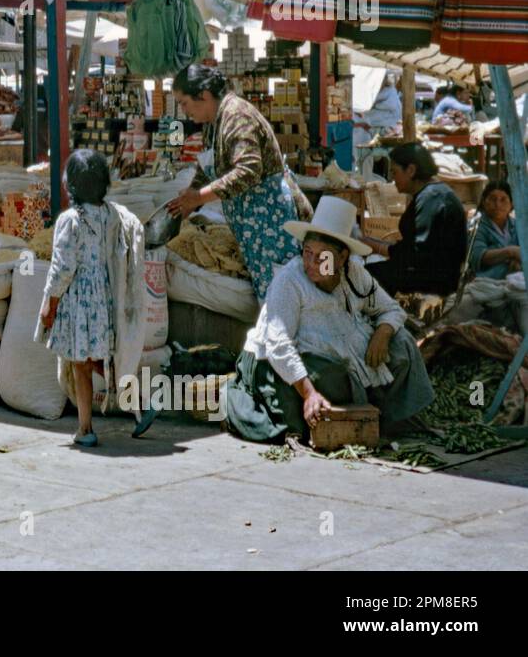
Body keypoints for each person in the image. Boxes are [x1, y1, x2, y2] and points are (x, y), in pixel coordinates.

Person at [224, 197, 434, 442]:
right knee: (334, 379)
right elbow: (278, 344)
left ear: (342, 257)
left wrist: (383, 333)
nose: (311, 264)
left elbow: (390, 309)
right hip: (278, 360)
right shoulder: (290, 280)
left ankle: (389, 419)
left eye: (321, 257)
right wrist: (309, 393)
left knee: (403, 343)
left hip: (339, 352)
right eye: (307, 253)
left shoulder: (354, 273)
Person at [39, 149, 155, 446]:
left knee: (80, 362)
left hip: (79, 300)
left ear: (71, 185)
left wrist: (49, 306)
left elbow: (62, 269)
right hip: (104, 298)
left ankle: (86, 429)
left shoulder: (69, 220)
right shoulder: (109, 214)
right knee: (95, 356)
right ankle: (140, 402)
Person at [167, 63, 310, 301]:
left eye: (184, 103)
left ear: (202, 95)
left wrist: (200, 197)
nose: (183, 111)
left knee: (287, 292)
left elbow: (249, 170)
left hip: (273, 222)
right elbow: (208, 166)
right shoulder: (213, 123)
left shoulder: (236, 115)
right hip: (254, 227)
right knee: (272, 295)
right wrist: (189, 199)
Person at [360, 143, 467, 297]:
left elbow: (416, 254)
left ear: (410, 170)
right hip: (431, 271)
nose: (392, 178)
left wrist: (378, 247)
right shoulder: (432, 192)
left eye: (395, 172)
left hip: (436, 279)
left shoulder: (431, 198)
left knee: (365, 275)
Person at [443, 182, 527, 336]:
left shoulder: (517, 225)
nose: (497, 204)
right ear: (484, 201)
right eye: (492, 199)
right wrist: (510, 252)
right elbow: (478, 257)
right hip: (487, 284)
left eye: (503, 199)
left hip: (515, 285)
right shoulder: (477, 226)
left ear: (512, 203)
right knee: (457, 311)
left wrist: (517, 259)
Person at [353, 72, 402, 167]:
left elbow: (394, 121)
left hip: (382, 141)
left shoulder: (390, 94)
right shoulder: (363, 97)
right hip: (363, 141)